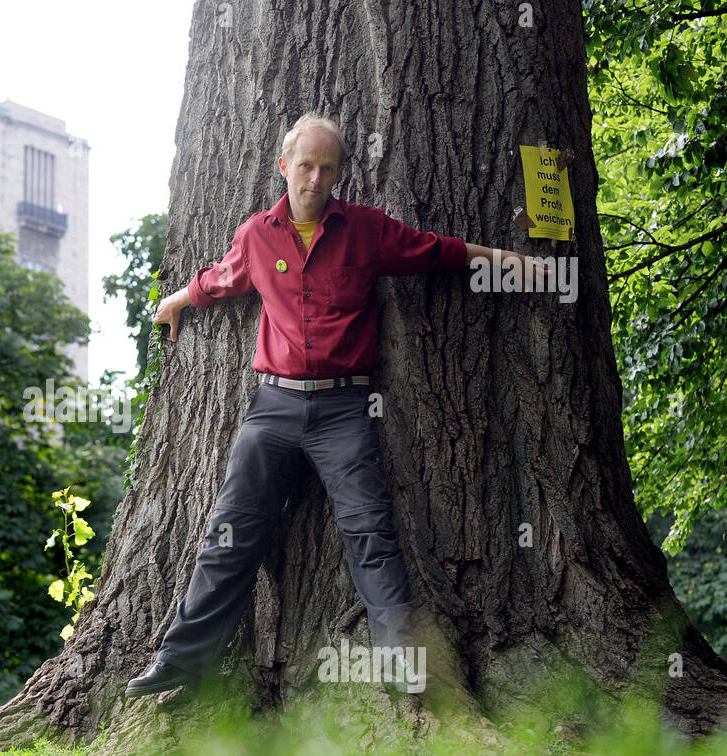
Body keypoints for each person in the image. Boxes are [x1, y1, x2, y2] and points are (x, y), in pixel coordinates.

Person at [126, 113, 545, 699]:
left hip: (346, 411)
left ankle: (403, 667)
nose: (315, 178)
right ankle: (181, 664)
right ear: (284, 167)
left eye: (327, 168)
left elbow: (437, 253)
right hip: (271, 409)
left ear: (340, 173)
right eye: (305, 166)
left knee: (371, 534)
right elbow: (219, 280)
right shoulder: (257, 235)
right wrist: (174, 299)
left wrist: (507, 261)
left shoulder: (366, 230)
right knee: (229, 533)